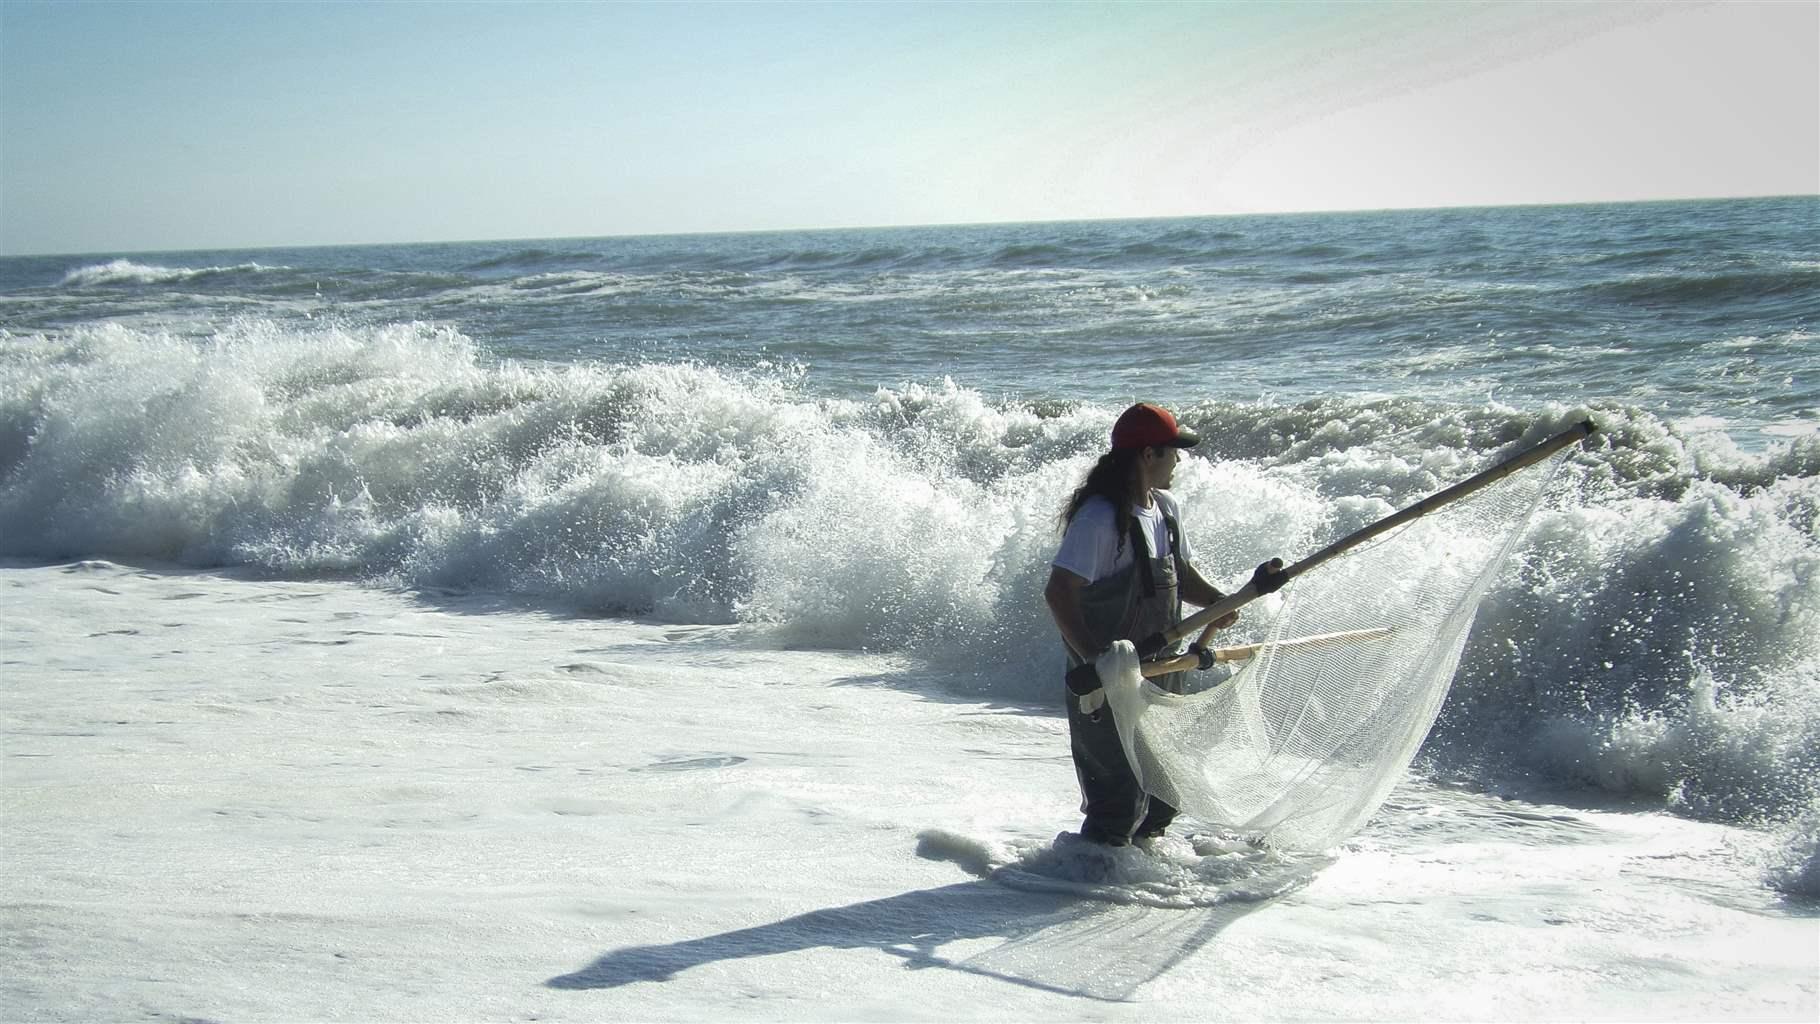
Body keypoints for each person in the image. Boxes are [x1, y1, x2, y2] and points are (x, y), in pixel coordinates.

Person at [1043, 402, 1252, 847]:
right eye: (1173, 451)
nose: (1179, 460)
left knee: (1164, 789)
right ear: (1148, 455)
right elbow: (1059, 592)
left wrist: (1216, 602)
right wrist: (1095, 661)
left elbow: (1177, 575)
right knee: (1118, 793)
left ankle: (1138, 874)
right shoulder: (1101, 518)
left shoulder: (1167, 509)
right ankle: (1085, 884)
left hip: (1161, 671)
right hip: (1104, 681)